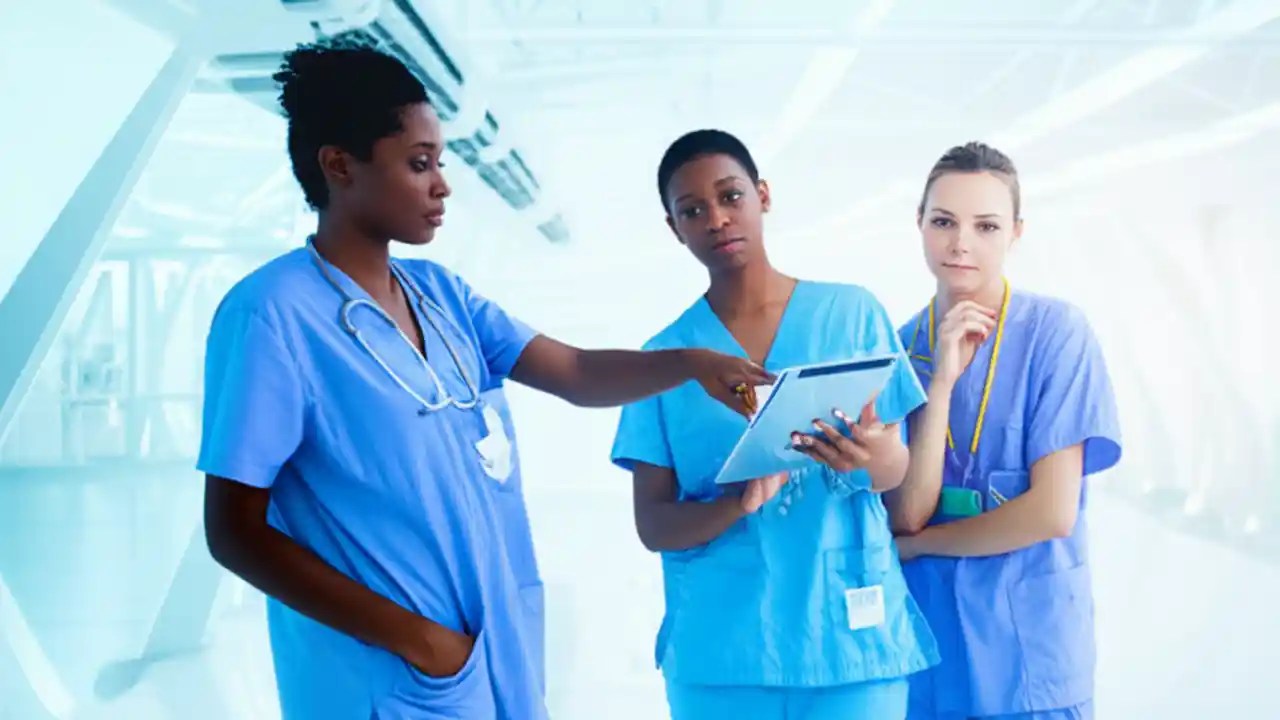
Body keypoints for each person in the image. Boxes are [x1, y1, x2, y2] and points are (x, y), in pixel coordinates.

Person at [196, 37, 771, 720]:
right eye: (419, 164)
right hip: (383, 673)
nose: (442, 184)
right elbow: (234, 532)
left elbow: (578, 373)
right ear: (339, 166)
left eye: (440, 162)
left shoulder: (441, 295)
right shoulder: (272, 314)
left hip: (488, 650)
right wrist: (417, 640)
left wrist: (689, 364)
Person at [609, 129, 940, 720]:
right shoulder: (666, 358)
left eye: (730, 196)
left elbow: (895, 469)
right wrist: (736, 504)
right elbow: (654, 525)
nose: (716, 218)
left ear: (763, 195)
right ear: (674, 227)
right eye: (693, 210)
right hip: (723, 654)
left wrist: (867, 455)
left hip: (849, 641)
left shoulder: (852, 313)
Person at [886, 142, 1123, 720]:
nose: (961, 242)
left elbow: (1051, 512)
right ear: (918, 224)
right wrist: (939, 385)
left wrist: (923, 546)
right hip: (931, 649)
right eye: (943, 221)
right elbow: (905, 514)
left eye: (985, 225)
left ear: (1016, 232)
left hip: (1032, 659)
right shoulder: (899, 348)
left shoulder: (1056, 335)